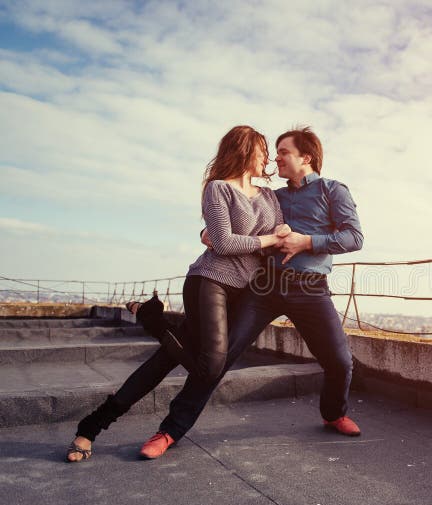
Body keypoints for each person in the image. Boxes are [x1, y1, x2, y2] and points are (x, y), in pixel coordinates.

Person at [137, 125, 364, 460]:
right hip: (265, 286)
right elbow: (232, 220)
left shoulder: (334, 191)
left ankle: (333, 414)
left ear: (307, 156)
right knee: (220, 358)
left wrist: (308, 242)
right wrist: (206, 231)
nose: (276, 158)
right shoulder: (274, 195)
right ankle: (169, 431)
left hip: (311, 288)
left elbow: (354, 237)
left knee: (340, 361)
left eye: (283, 152)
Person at [66, 125, 289, 462]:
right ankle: (153, 319)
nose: (268, 157)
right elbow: (225, 243)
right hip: (209, 281)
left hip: (245, 291)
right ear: (245, 150)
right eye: (262, 149)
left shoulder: (270, 196)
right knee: (212, 365)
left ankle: (91, 427)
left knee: (166, 358)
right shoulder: (218, 189)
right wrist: (269, 240)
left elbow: (277, 238)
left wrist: (278, 237)